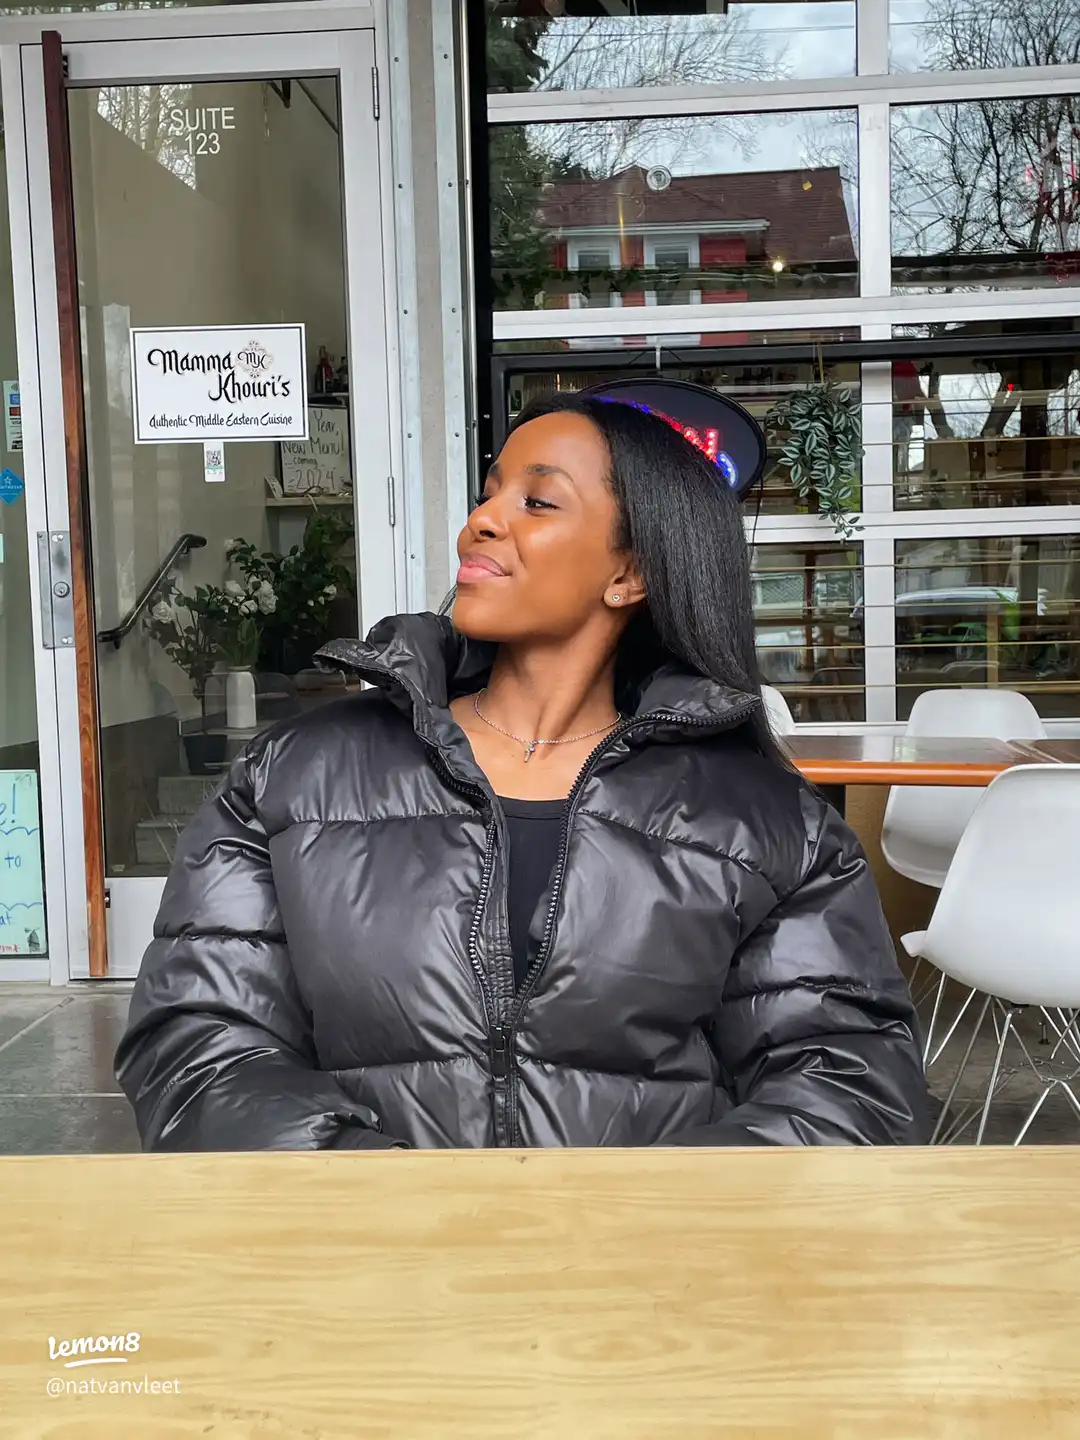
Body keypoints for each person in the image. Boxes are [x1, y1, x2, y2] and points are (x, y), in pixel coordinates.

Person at [115, 394, 929, 1150]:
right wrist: (371, 1193)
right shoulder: (295, 777)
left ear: (630, 574)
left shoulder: (763, 822)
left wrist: (644, 1230)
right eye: (490, 492)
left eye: (536, 502)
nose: (481, 522)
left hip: (643, 1284)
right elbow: (198, 1037)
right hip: (365, 1273)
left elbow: (846, 1074)